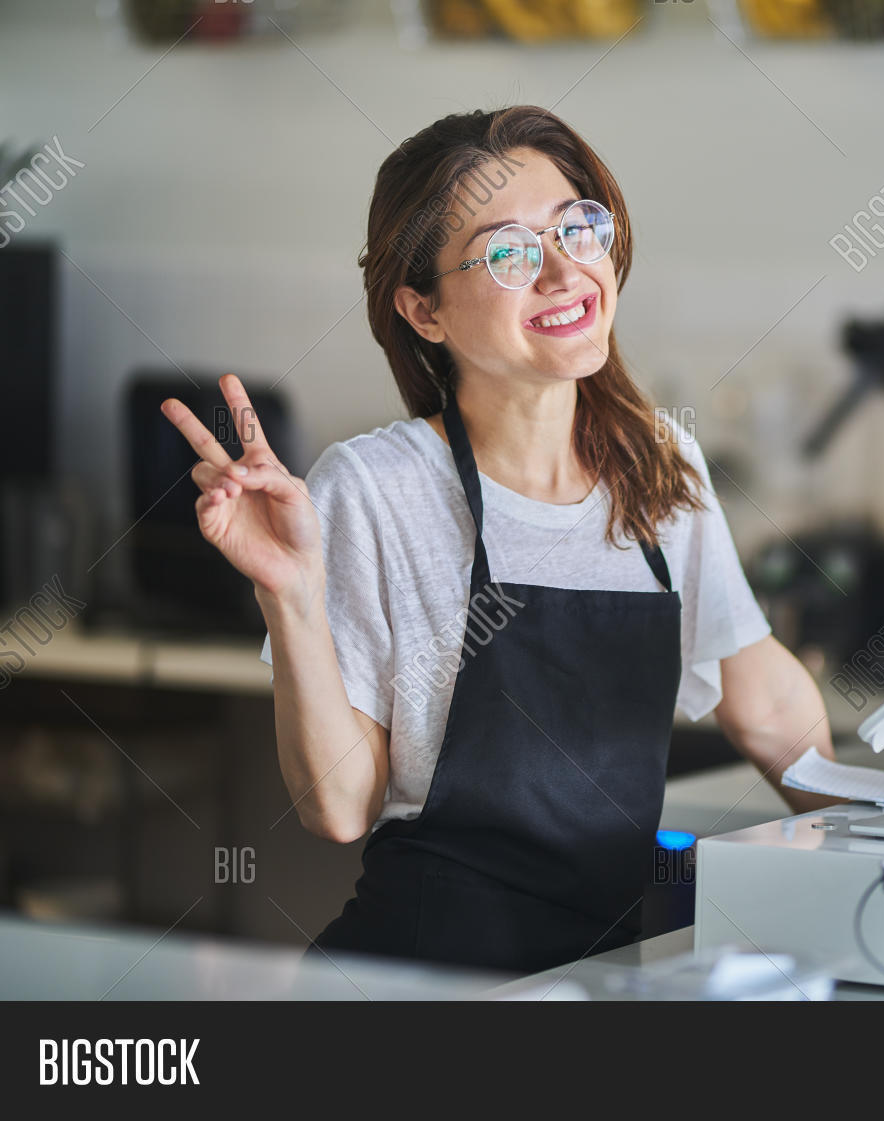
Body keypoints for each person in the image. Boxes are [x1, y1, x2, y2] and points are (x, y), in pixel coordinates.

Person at [161, 106, 837, 974]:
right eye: (510, 251)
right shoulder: (375, 487)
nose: (563, 270)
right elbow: (339, 805)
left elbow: (767, 703)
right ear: (424, 310)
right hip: (421, 984)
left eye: (577, 228)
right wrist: (289, 596)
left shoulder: (661, 467)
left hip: (602, 977)